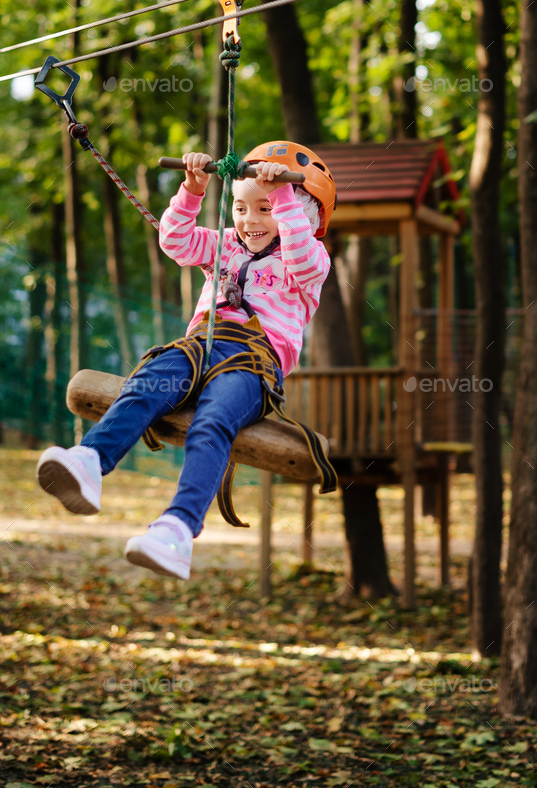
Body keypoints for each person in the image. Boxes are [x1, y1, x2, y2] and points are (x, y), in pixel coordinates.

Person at [36, 141, 336, 581]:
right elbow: (175, 241)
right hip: (200, 345)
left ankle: (176, 530)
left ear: (301, 214)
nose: (249, 220)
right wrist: (193, 189)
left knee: (212, 421)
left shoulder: (308, 261)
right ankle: (90, 462)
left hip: (253, 363)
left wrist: (284, 194)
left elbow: (300, 255)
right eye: (240, 207)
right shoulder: (224, 246)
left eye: (265, 209)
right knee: (147, 382)